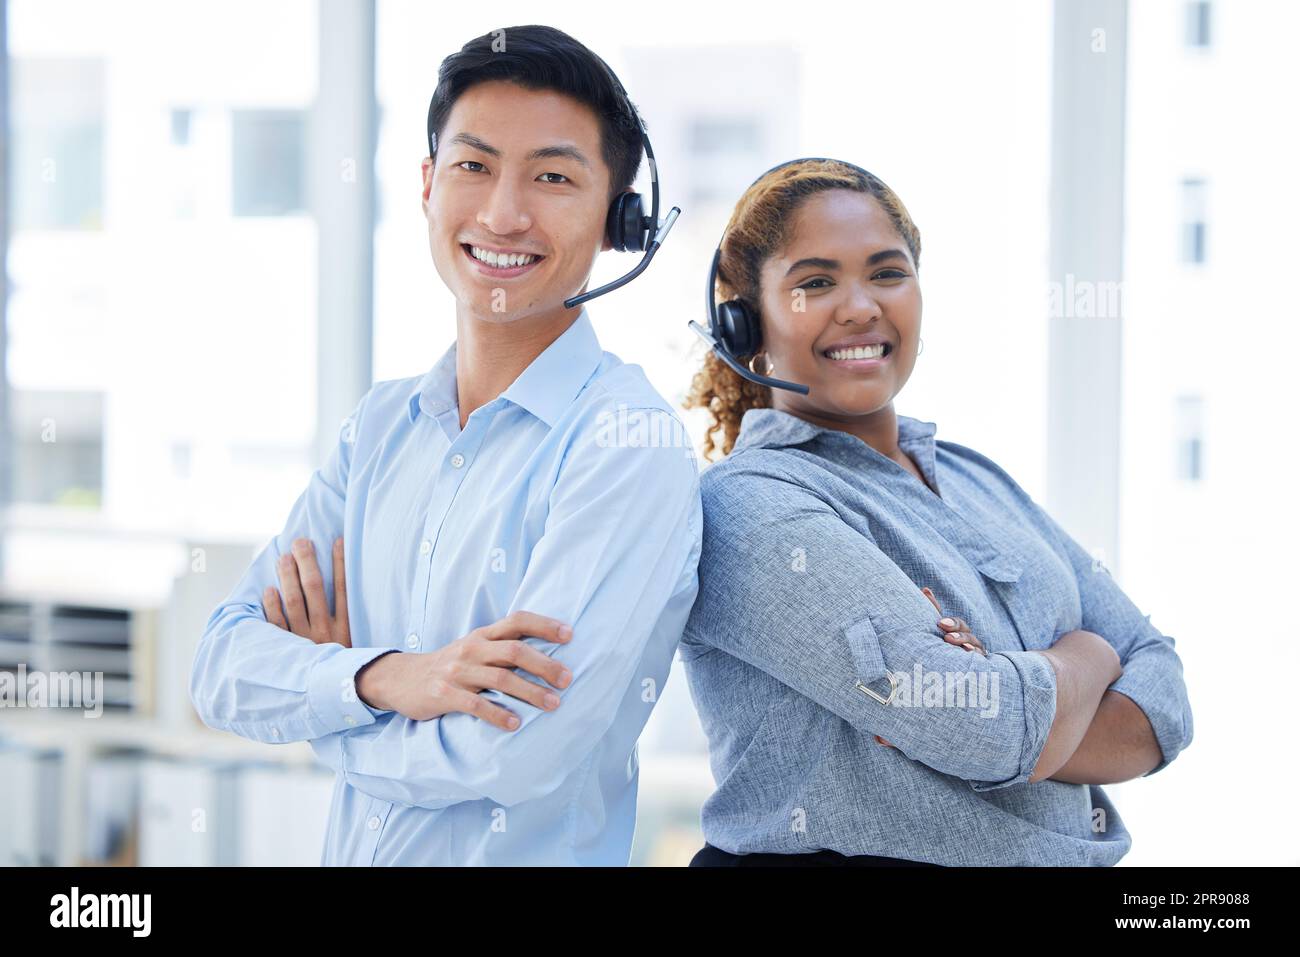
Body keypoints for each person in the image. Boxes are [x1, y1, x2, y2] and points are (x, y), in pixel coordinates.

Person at [189, 25, 702, 866]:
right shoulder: (381, 427)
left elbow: (512, 750)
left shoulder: (627, 445)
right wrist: (388, 677)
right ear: (428, 186)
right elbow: (219, 667)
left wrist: (324, 705)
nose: (504, 212)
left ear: (618, 219)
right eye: (473, 165)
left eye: (552, 176)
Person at [680, 158, 1194, 866]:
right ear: (747, 327)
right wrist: (1090, 654)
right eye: (816, 282)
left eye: (887, 273)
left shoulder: (975, 476)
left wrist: (1023, 701)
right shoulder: (749, 505)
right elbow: (981, 728)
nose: (861, 306)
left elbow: (1163, 701)